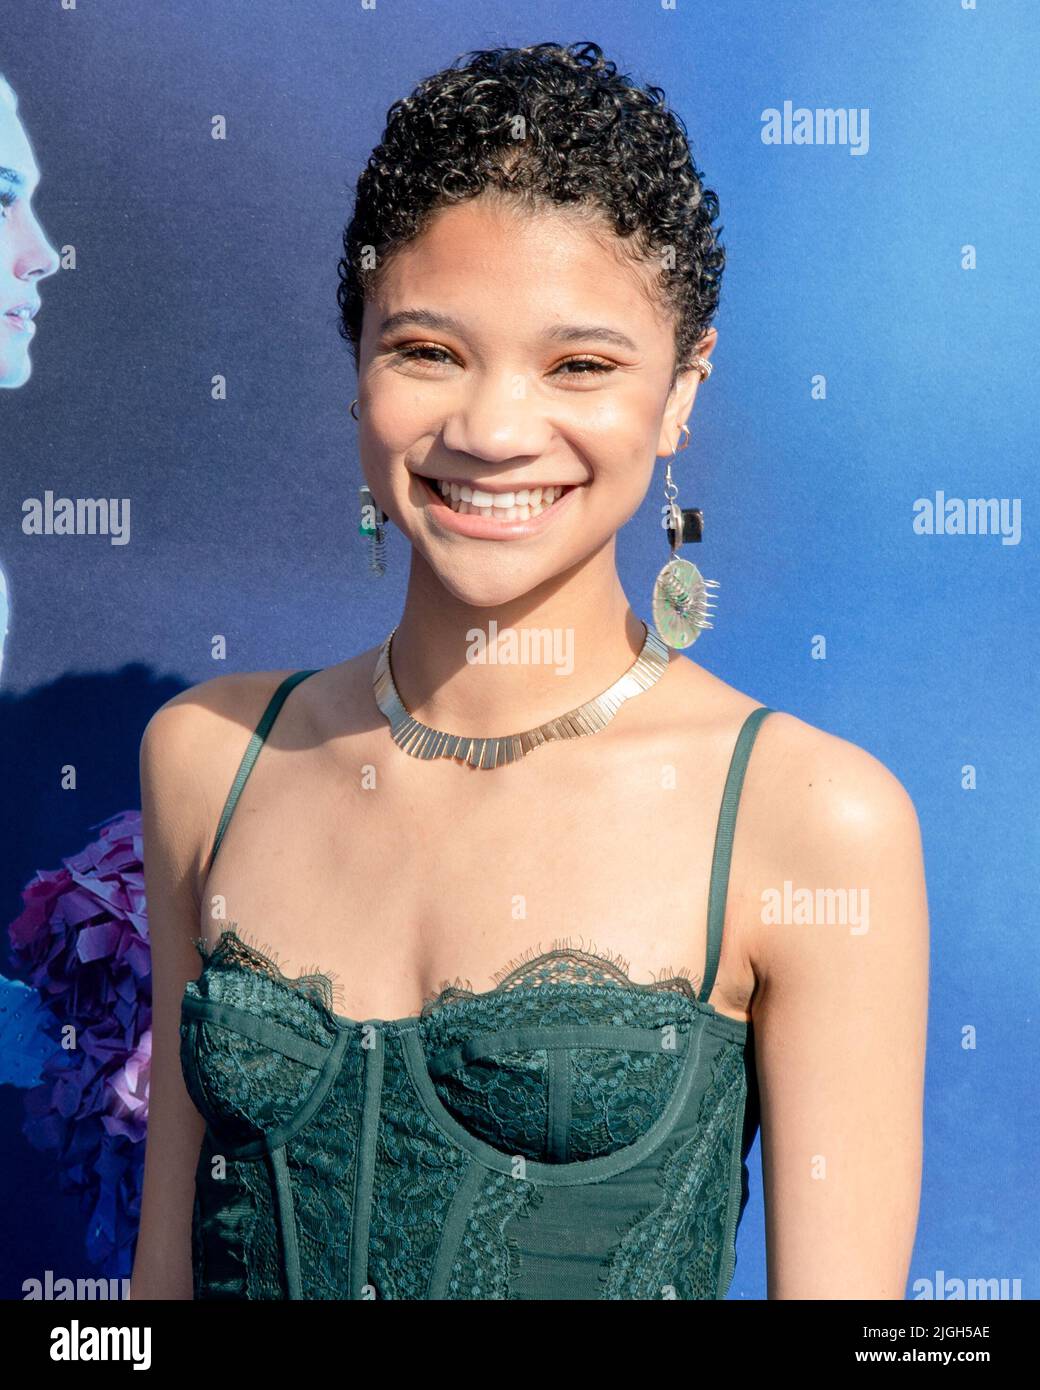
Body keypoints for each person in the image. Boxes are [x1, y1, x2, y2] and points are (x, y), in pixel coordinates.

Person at [130, 42, 928, 1301]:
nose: (494, 430)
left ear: (679, 395)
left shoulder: (808, 819)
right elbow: (154, 1293)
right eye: (428, 351)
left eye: (580, 365)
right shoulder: (207, 758)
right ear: (357, 370)